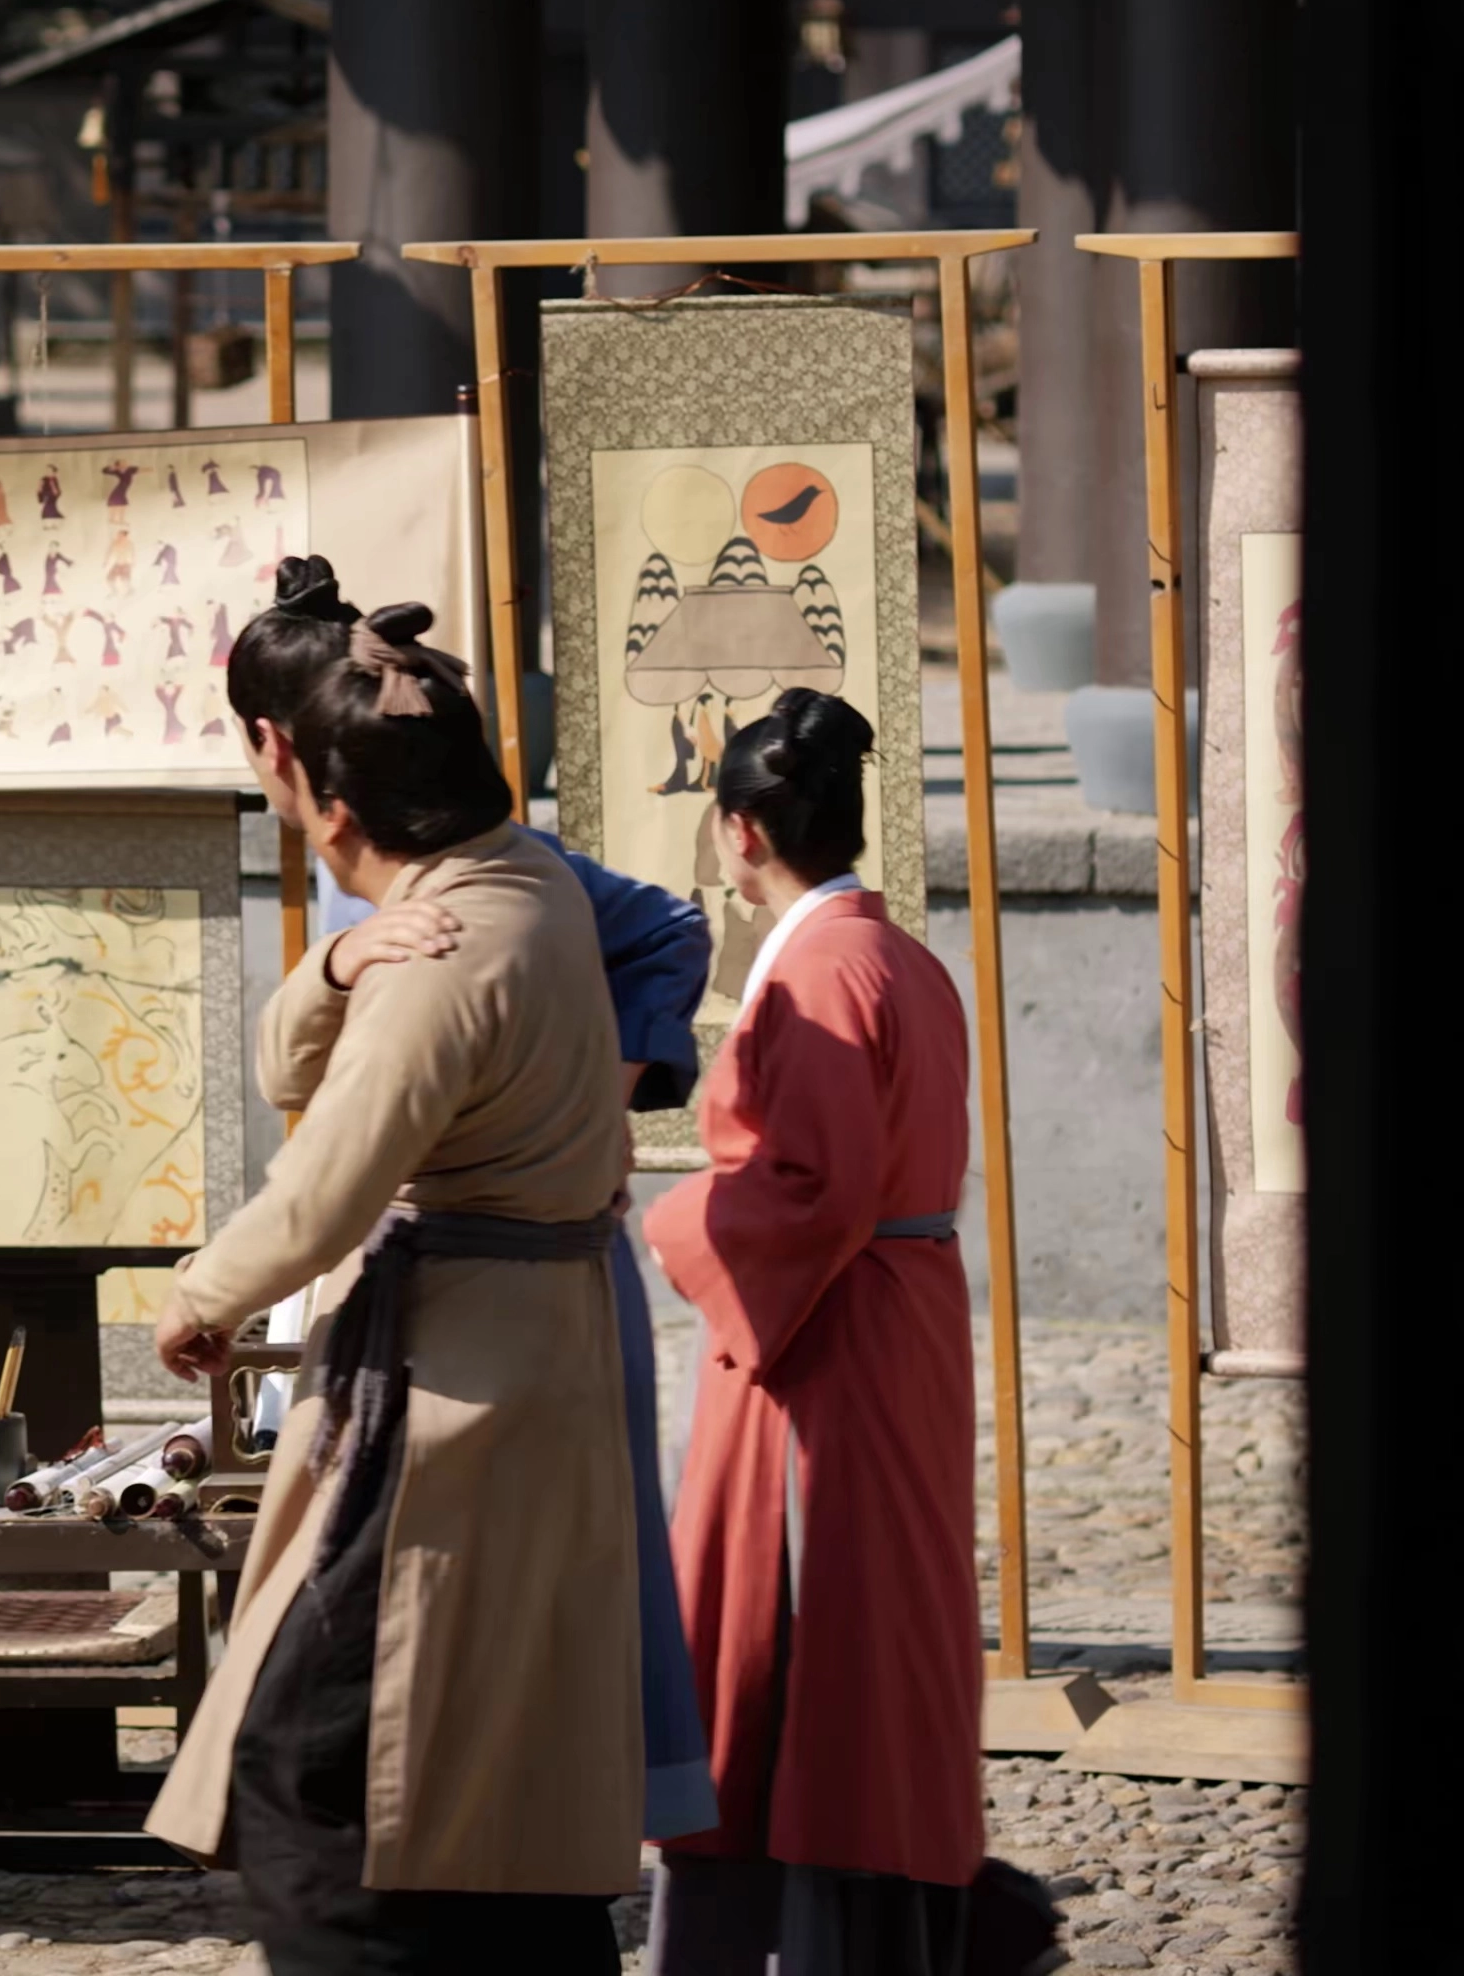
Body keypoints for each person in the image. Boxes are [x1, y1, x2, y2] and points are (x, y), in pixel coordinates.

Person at [147, 559, 644, 1973]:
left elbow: (321, 1189)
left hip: (449, 1398)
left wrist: (202, 1299)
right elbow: (292, 1058)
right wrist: (339, 966)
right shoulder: (517, 881)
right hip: (521, 1359)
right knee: (498, 1742)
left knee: (317, 1756)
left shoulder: (441, 956)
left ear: (294, 771)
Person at [640, 688, 997, 1973]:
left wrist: (675, 1223)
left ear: (739, 831)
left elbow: (813, 1185)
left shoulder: (824, 967)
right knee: (868, 1629)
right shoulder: (890, 953)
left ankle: (799, 1941)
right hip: (876, 1314)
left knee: (808, 1629)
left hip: (823, 1339)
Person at [296, 802, 723, 1853]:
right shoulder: (353, 859)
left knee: (547, 1555)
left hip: (532, 1255)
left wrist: (596, 1104)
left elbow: (671, 930)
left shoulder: (515, 872)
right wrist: (343, 959)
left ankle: (545, 1812)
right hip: (389, 1239)